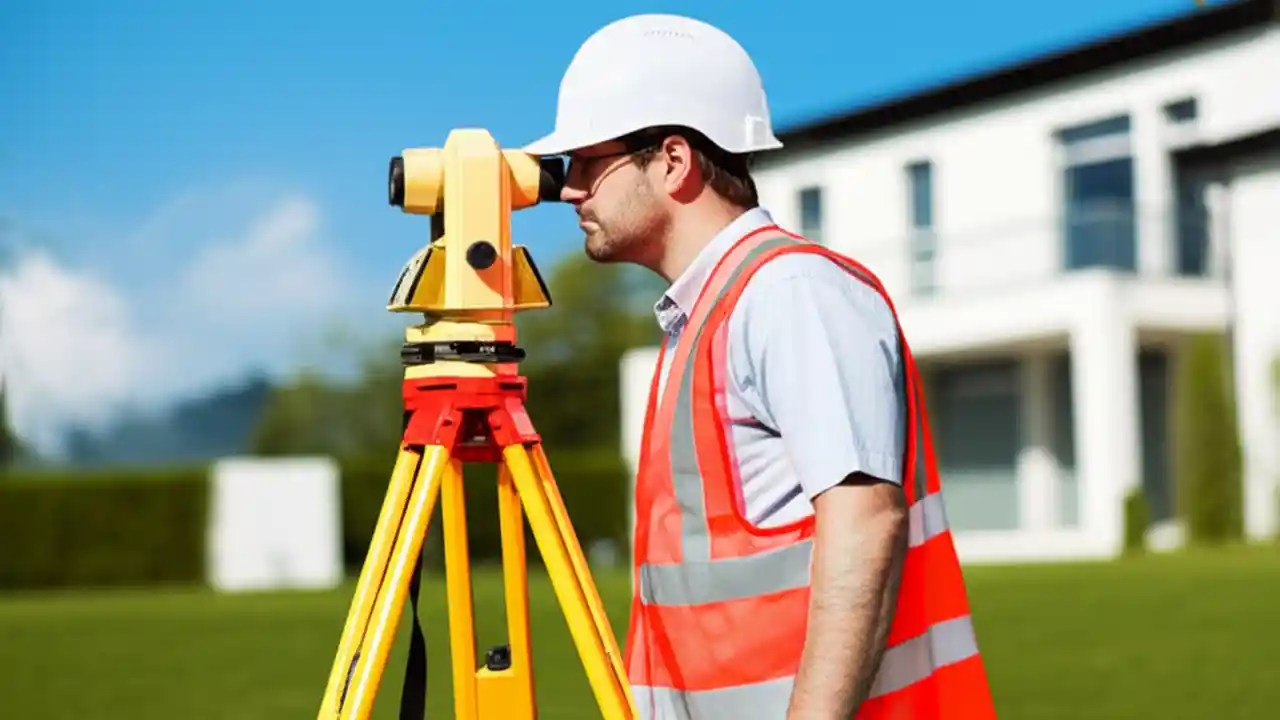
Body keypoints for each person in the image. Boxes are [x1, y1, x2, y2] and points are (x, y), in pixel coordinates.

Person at [524, 14, 996, 720]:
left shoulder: (788, 291)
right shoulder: (706, 314)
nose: (569, 189)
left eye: (588, 161)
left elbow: (865, 523)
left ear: (673, 161)